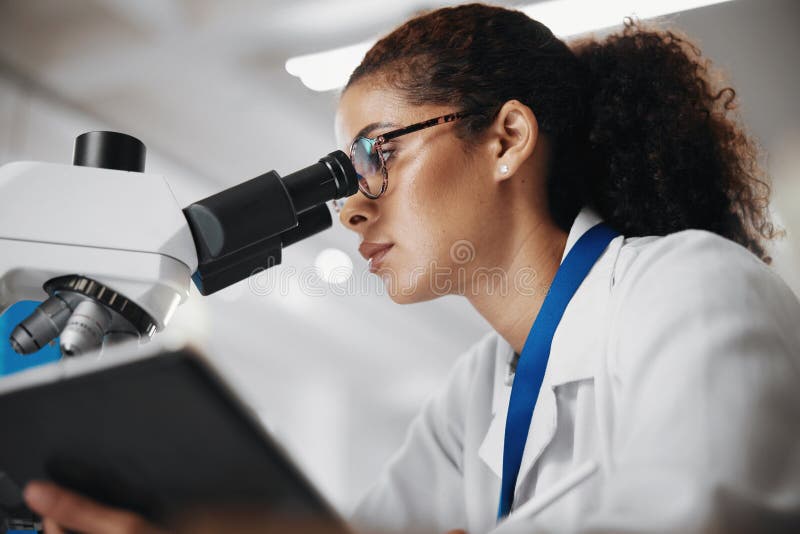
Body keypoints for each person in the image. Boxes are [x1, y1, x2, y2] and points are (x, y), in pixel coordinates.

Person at [22, 3, 800, 533]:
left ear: (506, 139)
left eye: (376, 154)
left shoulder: (691, 287)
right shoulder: (473, 394)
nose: (353, 208)